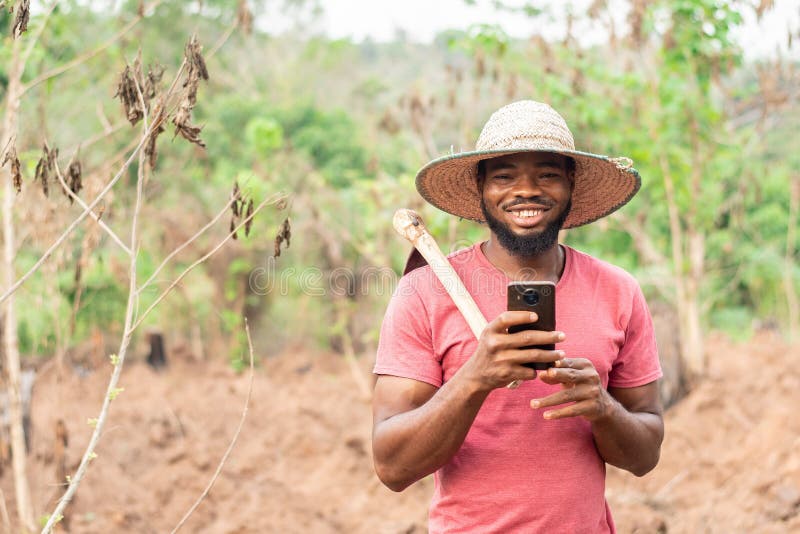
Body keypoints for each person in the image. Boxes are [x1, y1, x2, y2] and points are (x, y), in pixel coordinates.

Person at [371, 100, 663, 533]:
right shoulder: (426, 291)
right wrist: (476, 378)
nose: (526, 190)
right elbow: (392, 467)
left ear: (571, 183)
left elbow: (644, 456)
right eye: (505, 175)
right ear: (481, 188)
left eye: (546, 173)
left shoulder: (618, 291)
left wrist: (602, 407)